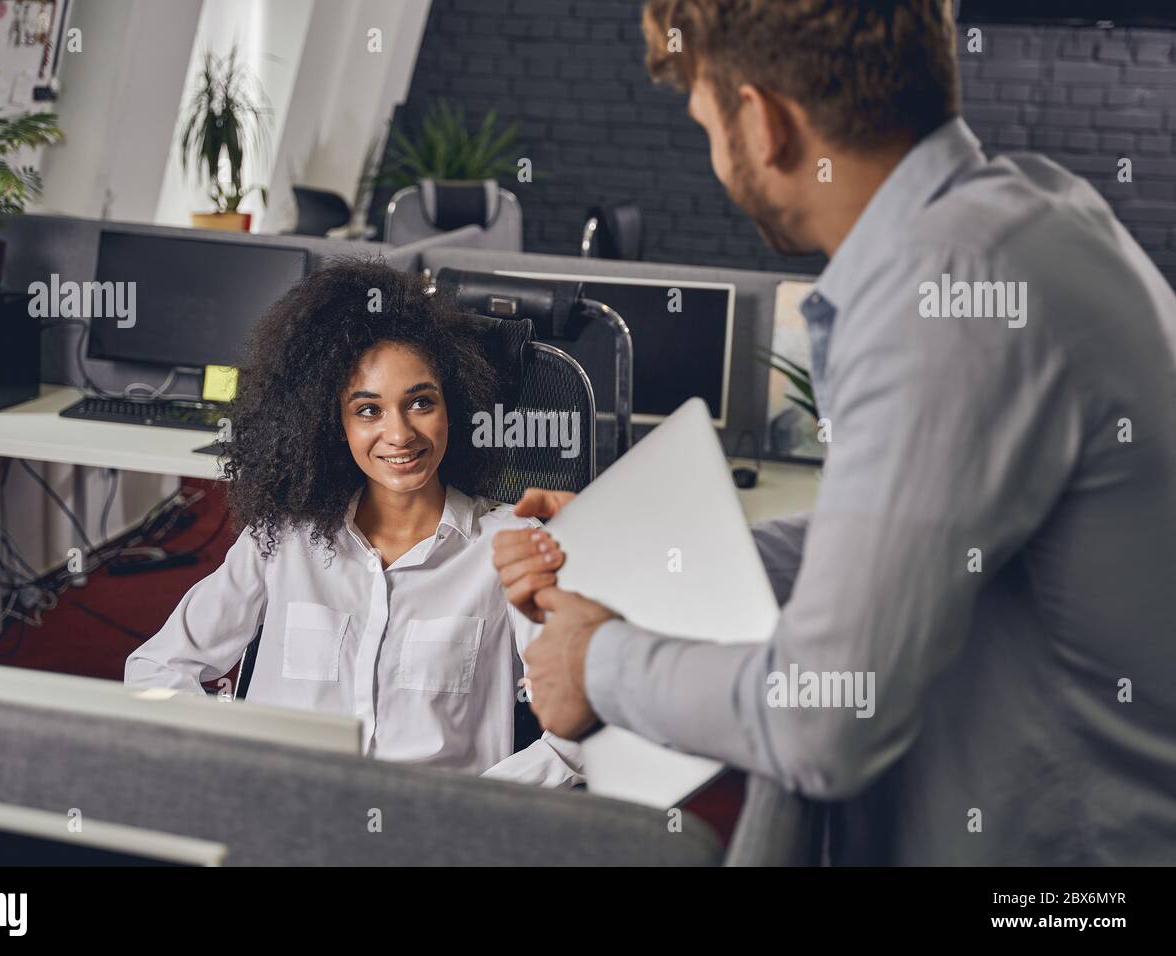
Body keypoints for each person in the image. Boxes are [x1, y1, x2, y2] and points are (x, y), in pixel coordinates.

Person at [494, 0, 1176, 863]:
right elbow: (914, 537)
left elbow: (826, 715)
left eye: (708, 123)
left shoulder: (945, 292)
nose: (715, 161)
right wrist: (642, 546)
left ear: (764, 121)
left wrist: (595, 667)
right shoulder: (1031, 218)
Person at [126, 259, 581, 787]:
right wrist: (234, 763)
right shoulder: (283, 542)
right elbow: (157, 669)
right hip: (288, 817)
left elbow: (577, 737)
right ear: (333, 425)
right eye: (368, 410)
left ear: (452, 409)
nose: (400, 434)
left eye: (420, 402)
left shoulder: (510, 547)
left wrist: (477, 812)